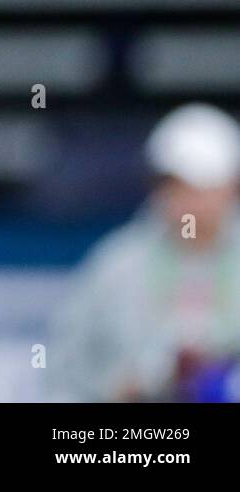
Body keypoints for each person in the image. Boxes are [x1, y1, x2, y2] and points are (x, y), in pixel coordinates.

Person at [49, 102, 240, 402]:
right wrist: (121, 387)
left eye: (202, 187)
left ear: (232, 186)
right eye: (176, 186)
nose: (189, 202)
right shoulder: (115, 265)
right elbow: (62, 372)